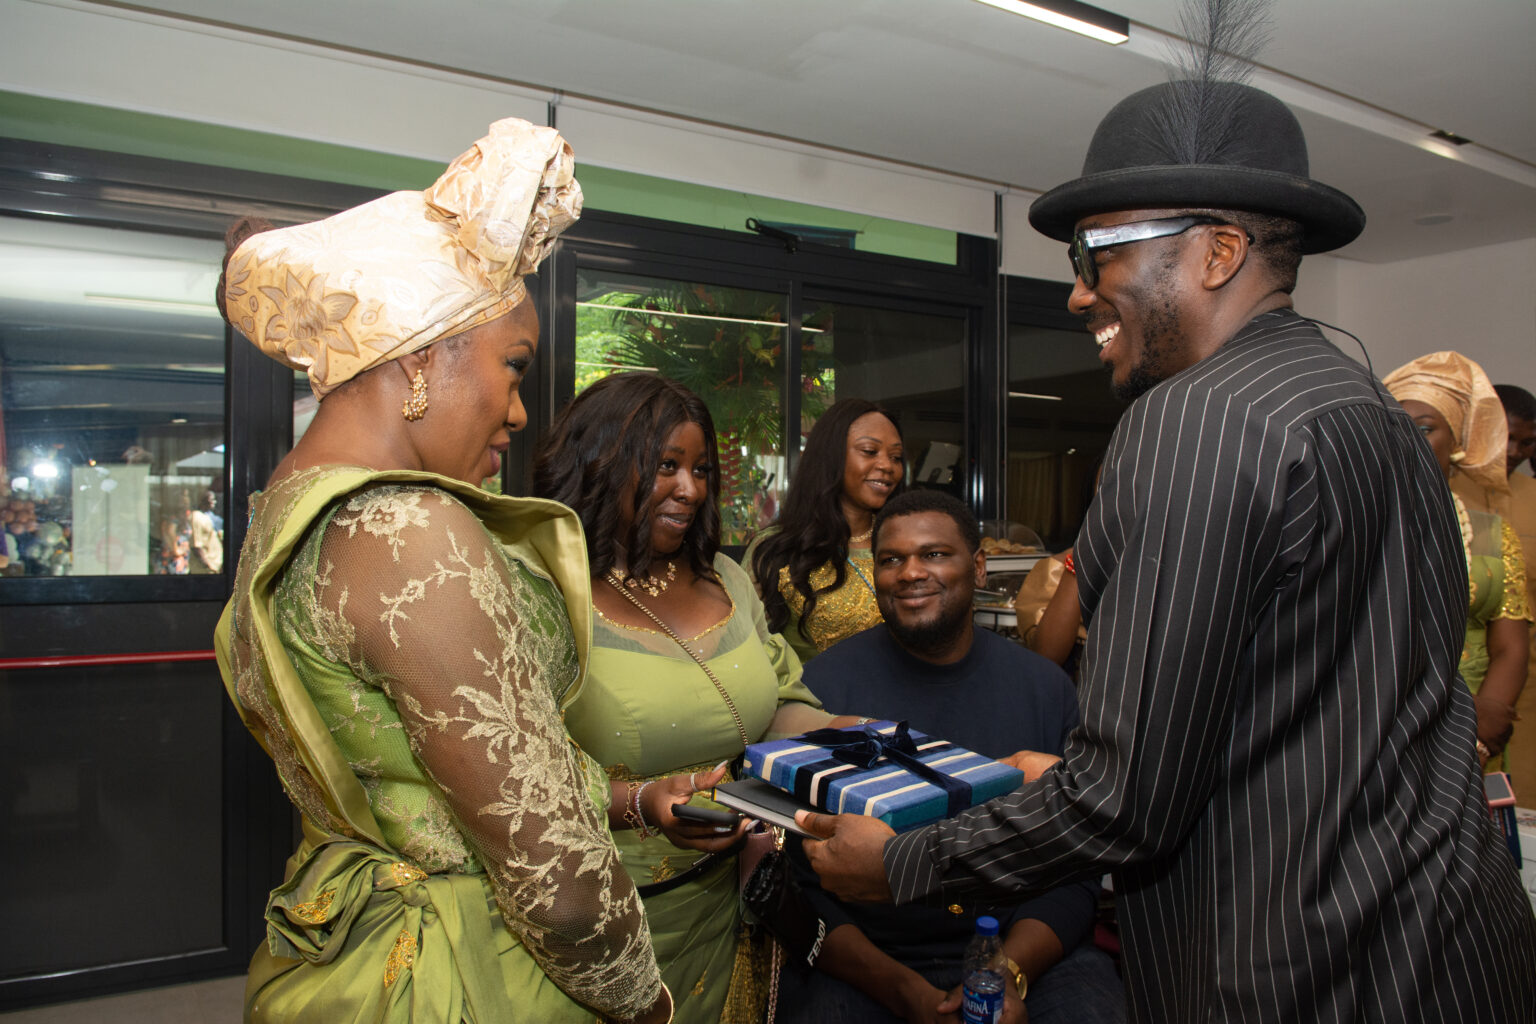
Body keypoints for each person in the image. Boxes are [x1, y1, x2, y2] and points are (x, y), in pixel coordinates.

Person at [794, 25, 1536, 1022]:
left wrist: (910, 858)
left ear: (1220, 252)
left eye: (1095, 252)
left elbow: (1126, 801)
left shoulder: (1193, 417)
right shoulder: (1371, 410)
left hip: (1297, 972)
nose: (1075, 288)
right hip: (1457, 951)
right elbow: (1340, 713)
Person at [214, 119, 673, 1024]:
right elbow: (562, 888)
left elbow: (409, 769)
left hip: (347, 936)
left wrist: (634, 798)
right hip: (462, 970)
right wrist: (644, 1002)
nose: (516, 409)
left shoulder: (285, 509)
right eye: (513, 366)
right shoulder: (408, 530)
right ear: (423, 355)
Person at [532, 371, 863, 1024]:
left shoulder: (728, 579)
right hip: (594, 918)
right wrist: (644, 804)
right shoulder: (545, 593)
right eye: (665, 466)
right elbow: (513, 775)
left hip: (724, 904)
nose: (690, 488)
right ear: (600, 463)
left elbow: (775, 707)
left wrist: (852, 733)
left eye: (701, 469)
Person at [779, 489, 1125, 1024]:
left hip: (1020, 944)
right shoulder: (823, 690)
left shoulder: (1044, 689)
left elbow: (1075, 866)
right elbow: (800, 883)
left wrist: (1003, 974)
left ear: (980, 567)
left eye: (935, 554)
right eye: (891, 560)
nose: (911, 572)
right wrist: (906, 994)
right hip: (870, 960)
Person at [1385, 353, 1532, 772]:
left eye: (1425, 430)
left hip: (1475, 737)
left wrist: (1481, 726)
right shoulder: (1359, 525)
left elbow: (1510, 647)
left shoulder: (1488, 533)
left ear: (1458, 444)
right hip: (1382, 736)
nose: (1407, 441)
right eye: (1392, 427)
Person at [746, 398, 905, 663]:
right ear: (830, 455)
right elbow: (747, 649)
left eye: (896, 457)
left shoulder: (904, 543)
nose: (887, 466)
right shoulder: (777, 548)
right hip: (809, 702)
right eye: (869, 451)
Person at [1486, 384, 1536, 790]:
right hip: (1474, 680)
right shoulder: (1453, 495)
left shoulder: (1532, 498)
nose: (1516, 451)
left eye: (1527, 442)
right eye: (1508, 437)